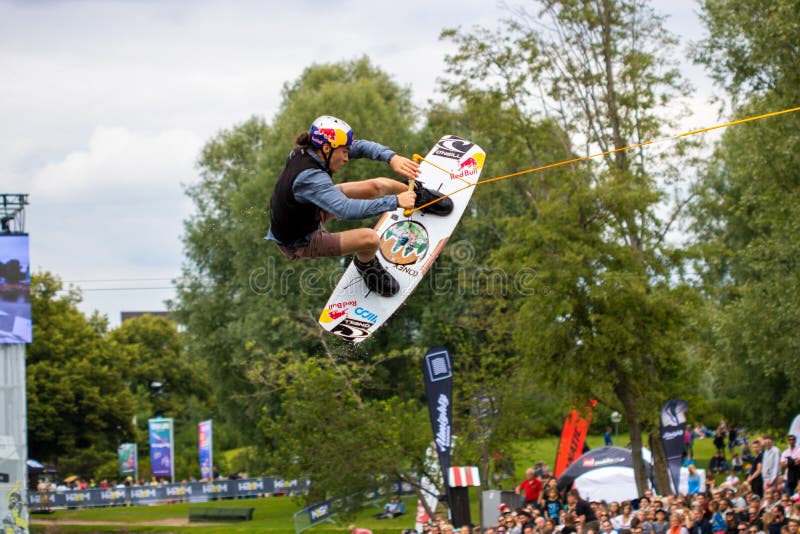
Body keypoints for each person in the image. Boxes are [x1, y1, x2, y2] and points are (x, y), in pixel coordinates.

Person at [267, 115, 453, 296]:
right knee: (369, 239)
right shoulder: (310, 178)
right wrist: (395, 202)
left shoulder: (314, 150)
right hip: (300, 241)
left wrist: (392, 158)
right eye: (344, 152)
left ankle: (415, 196)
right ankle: (367, 267)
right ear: (326, 148)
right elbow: (346, 210)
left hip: (310, 210)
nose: (347, 158)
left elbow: (362, 147)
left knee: (378, 185)